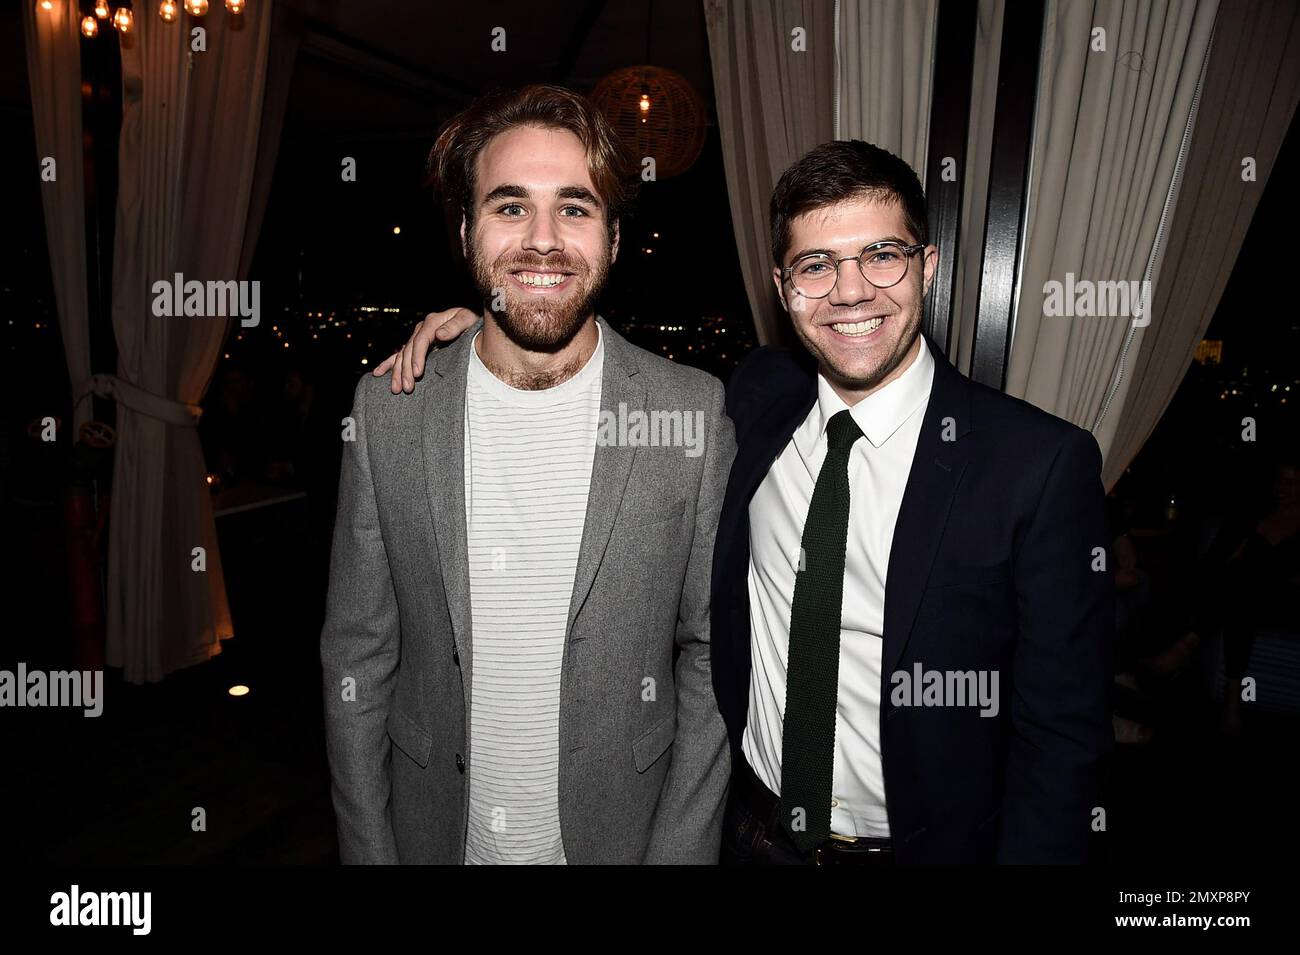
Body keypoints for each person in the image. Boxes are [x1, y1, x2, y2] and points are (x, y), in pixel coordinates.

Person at [380, 140, 1115, 864]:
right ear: (782, 285)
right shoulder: (755, 400)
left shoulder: (1037, 465)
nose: (851, 290)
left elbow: (1063, 741)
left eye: (882, 255)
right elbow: (611, 375)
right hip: (752, 838)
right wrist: (490, 331)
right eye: (816, 265)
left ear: (926, 267)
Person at [321, 84, 734, 864]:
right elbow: (357, 655)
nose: (543, 240)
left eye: (574, 209)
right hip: (436, 836)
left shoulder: (692, 413)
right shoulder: (390, 411)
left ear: (612, 236)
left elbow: (716, 654)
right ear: (470, 228)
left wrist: (679, 851)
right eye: (511, 207)